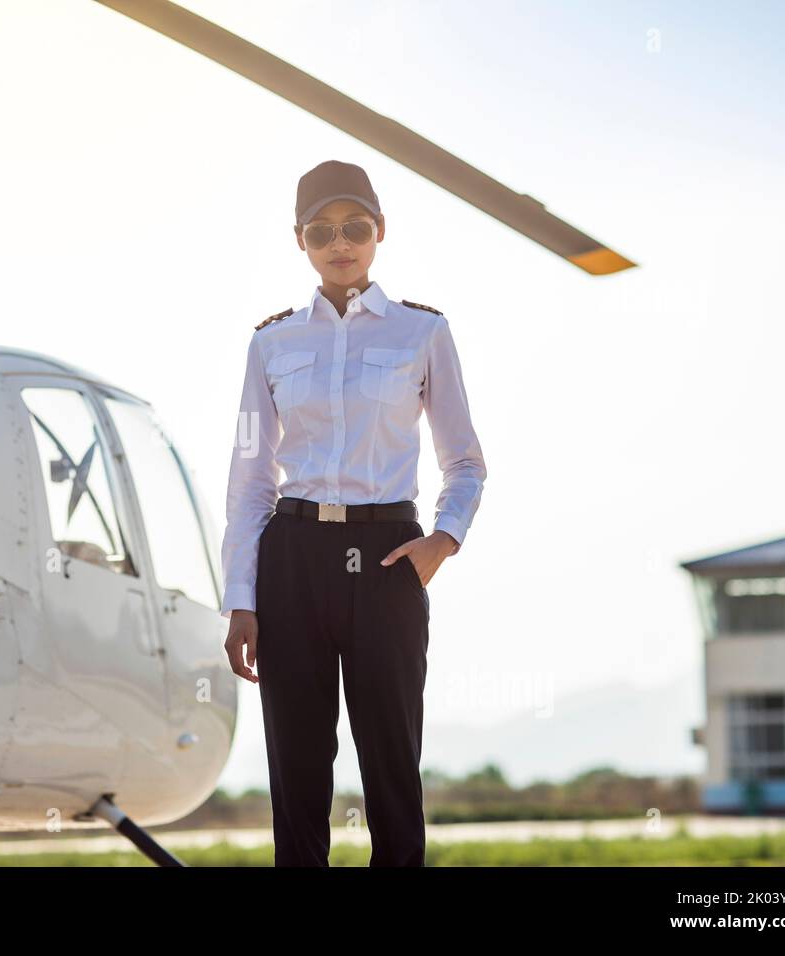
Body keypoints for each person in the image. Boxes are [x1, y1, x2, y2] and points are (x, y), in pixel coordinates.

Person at [219, 159, 487, 867]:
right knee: (297, 772)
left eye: (356, 227)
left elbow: (464, 462)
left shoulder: (422, 334)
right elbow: (250, 478)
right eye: (322, 230)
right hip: (292, 560)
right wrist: (241, 599)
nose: (341, 242)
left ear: (380, 232)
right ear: (300, 240)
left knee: (392, 766)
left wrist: (441, 542)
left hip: (389, 558)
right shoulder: (270, 342)